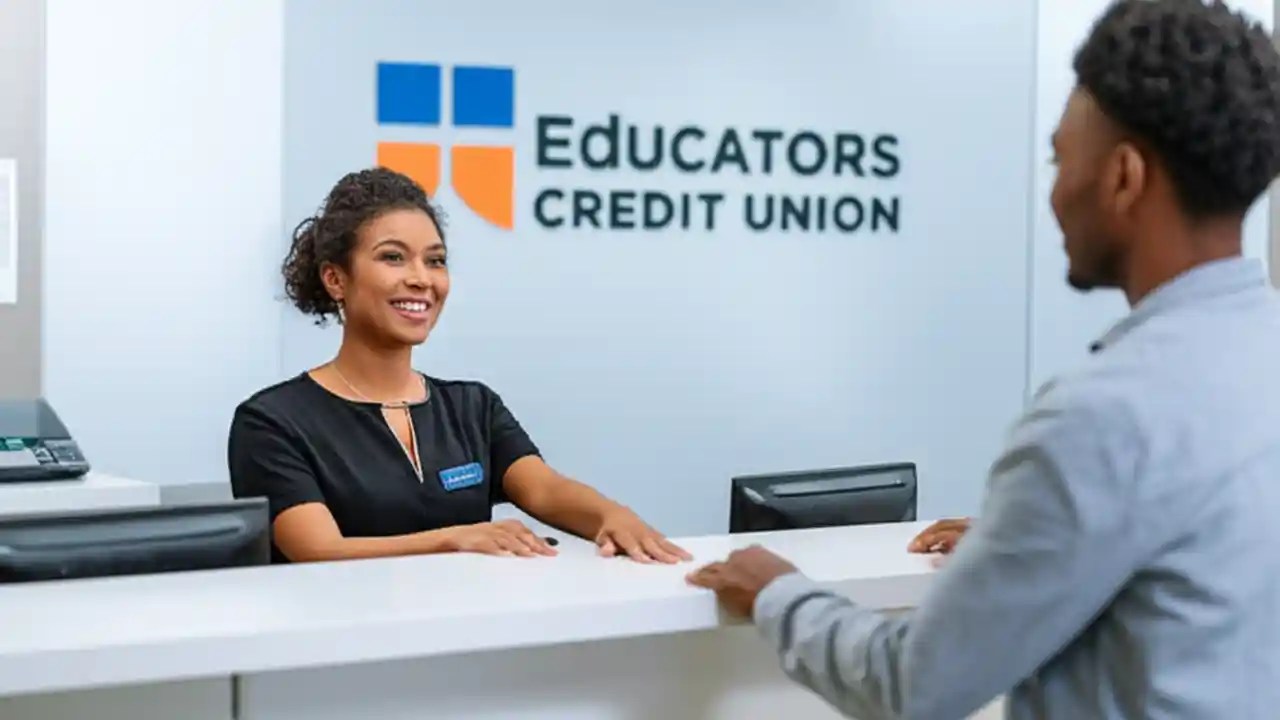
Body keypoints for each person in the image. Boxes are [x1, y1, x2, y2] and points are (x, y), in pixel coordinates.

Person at [687, 1, 1280, 718]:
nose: (1055, 193)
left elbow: (919, 685)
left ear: (1123, 177)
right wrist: (1033, 538)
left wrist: (777, 591)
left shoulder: (1102, 416)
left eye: (1061, 159)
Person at [229, 167, 690, 565]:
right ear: (335, 279)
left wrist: (611, 516)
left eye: (436, 261)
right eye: (393, 257)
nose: (421, 279)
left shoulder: (472, 406)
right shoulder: (272, 422)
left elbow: (544, 490)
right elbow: (318, 549)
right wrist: (453, 539)